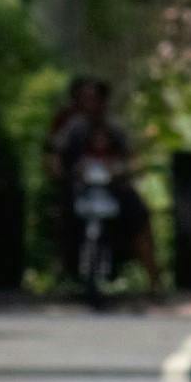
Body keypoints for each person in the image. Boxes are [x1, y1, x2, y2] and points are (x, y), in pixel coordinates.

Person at [46, 76, 149, 297]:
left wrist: (122, 170)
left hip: (112, 188)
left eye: (94, 98)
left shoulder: (114, 127)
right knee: (61, 217)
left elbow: (132, 158)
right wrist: (63, 175)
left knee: (138, 213)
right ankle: (61, 269)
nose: (90, 103)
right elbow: (56, 156)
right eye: (85, 98)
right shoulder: (72, 129)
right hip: (81, 188)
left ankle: (154, 276)